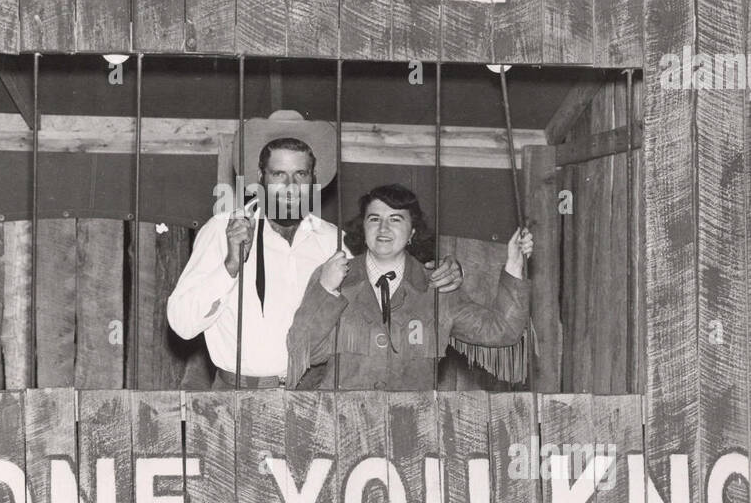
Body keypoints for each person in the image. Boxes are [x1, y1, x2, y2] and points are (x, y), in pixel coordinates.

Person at [166, 111, 466, 388]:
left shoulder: (335, 241)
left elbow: (389, 283)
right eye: (278, 175)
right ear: (260, 178)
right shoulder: (222, 230)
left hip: (315, 396)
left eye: (300, 175)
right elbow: (182, 325)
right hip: (238, 396)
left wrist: (437, 274)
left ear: (314, 180)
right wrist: (231, 264)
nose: (290, 186)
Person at [286, 183, 533, 391]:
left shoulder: (437, 286)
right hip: (341, 429)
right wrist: (326, 291)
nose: (383, 228)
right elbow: (302, 350)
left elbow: (503, 330)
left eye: (395, 219)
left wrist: (514, 265)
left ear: (412, 231)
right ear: (363, 227)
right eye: (374, 219)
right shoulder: (332, 277)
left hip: (410, 432)